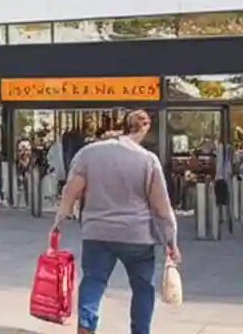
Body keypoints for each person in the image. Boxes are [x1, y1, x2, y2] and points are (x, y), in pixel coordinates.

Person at [55, 110, 179, 334]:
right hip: (137, 235)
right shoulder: (147, 159)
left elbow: (71, 191)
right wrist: (172, 241)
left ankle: (86, 323)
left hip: (97, 232)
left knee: (93, 280)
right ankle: (140, 330)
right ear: (144, 128)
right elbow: (161, 205)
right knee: (143, 287)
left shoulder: (88, 153)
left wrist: (59, 220)